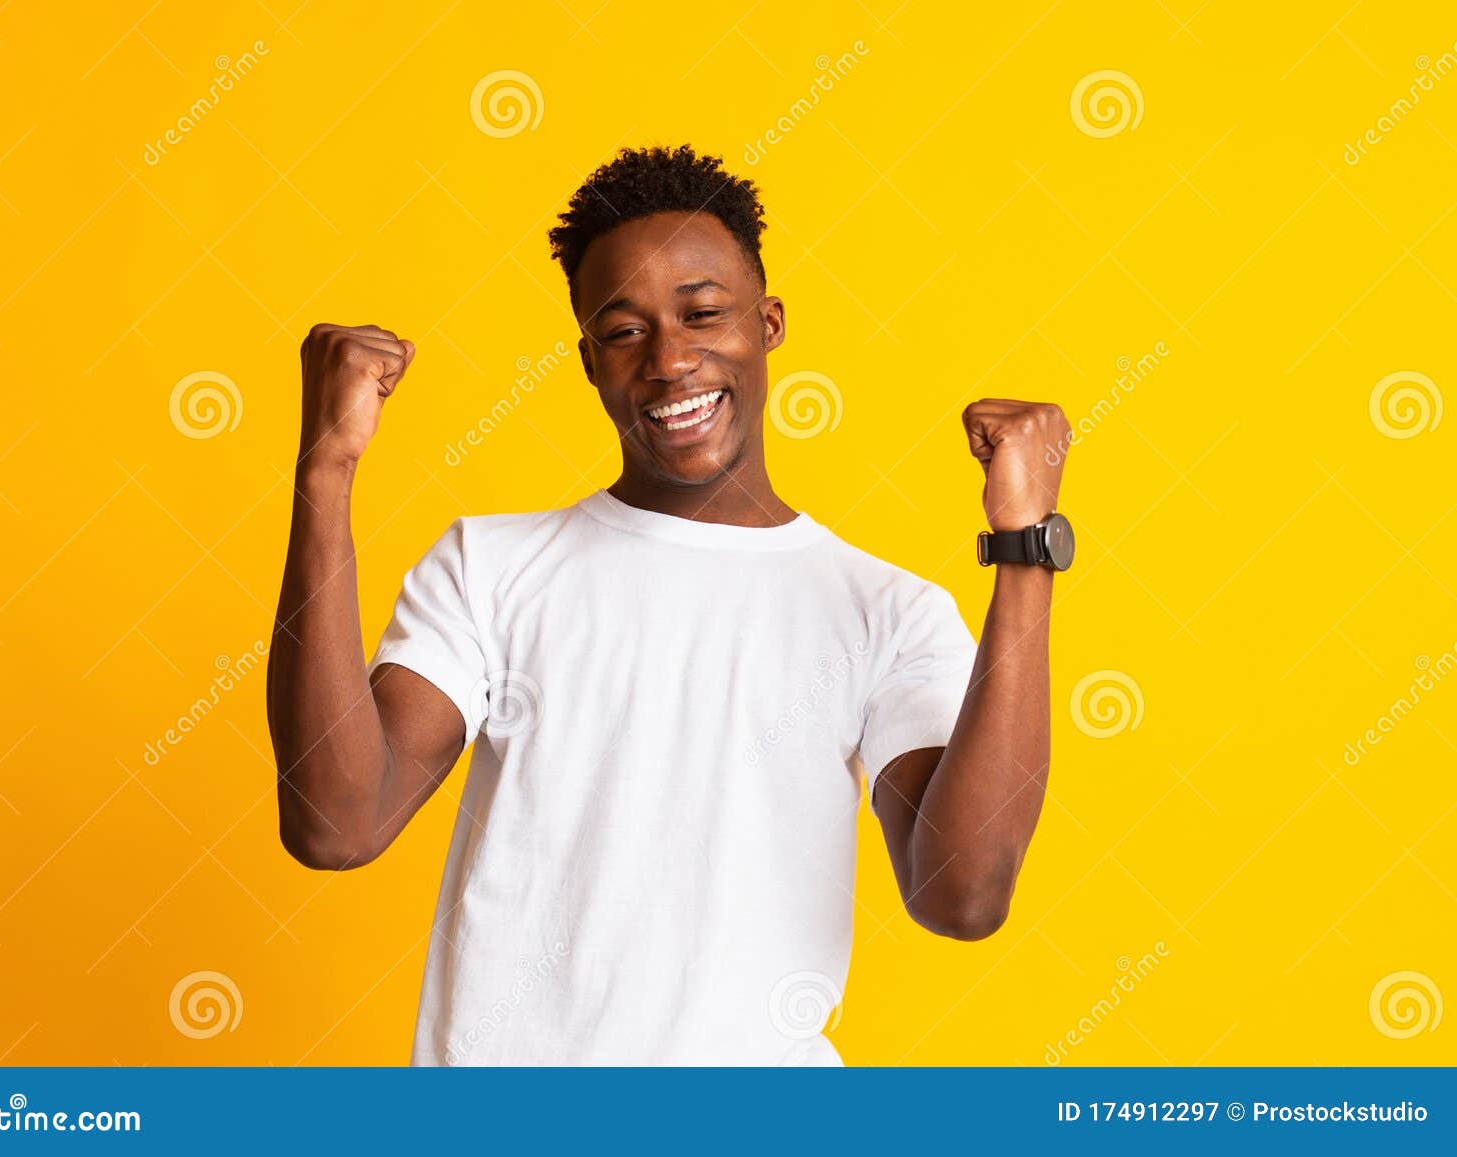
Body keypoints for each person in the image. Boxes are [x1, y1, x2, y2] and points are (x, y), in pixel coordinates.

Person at [266, 144, 1074, 1065]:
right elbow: (334, 824)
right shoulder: (488, 568)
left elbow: (962, 895)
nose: (670, 359)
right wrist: (325, 472)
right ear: (588, 362)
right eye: (624, 331)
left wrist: (1025, 547)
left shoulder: (886, 612)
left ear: (768, 323)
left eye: (704, 313)